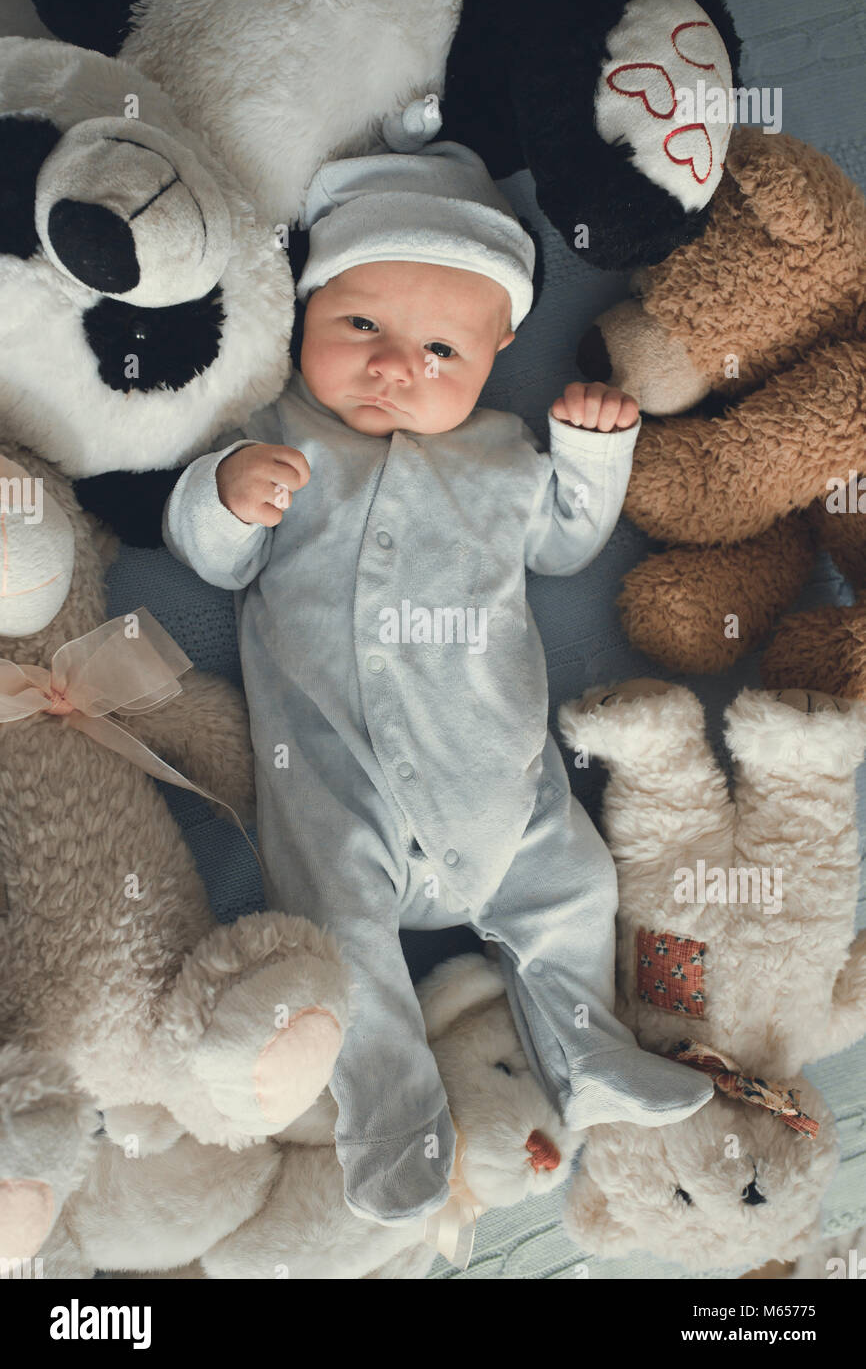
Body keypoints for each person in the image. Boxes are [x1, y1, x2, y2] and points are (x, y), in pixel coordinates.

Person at [162, 141, 713, 1226]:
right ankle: (390, 1113)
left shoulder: (503, 454)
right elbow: (213, 558)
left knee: (574, 890)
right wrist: (223, 496)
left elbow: (562, 547)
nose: (394, 367)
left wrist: (590, 455)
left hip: (499, 777)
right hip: (336, 784)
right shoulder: (280, 441)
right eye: (358, 326)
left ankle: (592, 1054)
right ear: (307, 310)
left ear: (497, 346)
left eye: (440, 347)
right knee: (335, 936)